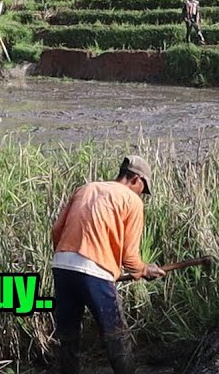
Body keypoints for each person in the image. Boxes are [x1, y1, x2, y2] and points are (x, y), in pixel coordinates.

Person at [50, 156, 166, 374]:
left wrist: (67, 259)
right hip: (94, 271)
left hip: (62, 265)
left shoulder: (86, 188)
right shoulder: (132, 201)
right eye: (144, 187)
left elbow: (57, 230)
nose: (142, 193)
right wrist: (144, 269)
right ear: (136, 179)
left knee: (68, 335)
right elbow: (129, 257)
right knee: (116, 335)